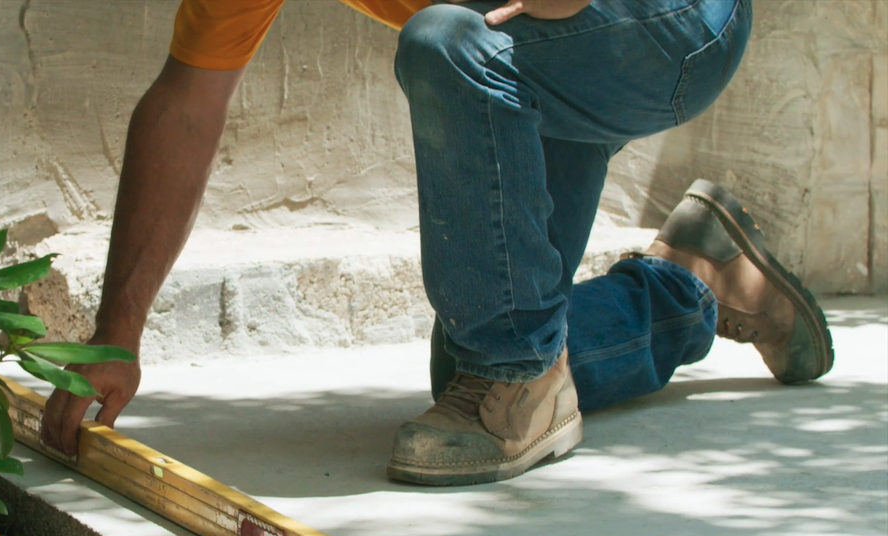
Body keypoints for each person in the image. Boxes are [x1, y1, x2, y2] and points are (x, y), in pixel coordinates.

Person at [41, 0, 833, 486]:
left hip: (671, 21)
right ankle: (692, 278)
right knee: (473, 363)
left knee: (442, 41)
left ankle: (519, 375)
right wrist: (117, 331)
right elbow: (186, 102)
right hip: (527, 53)